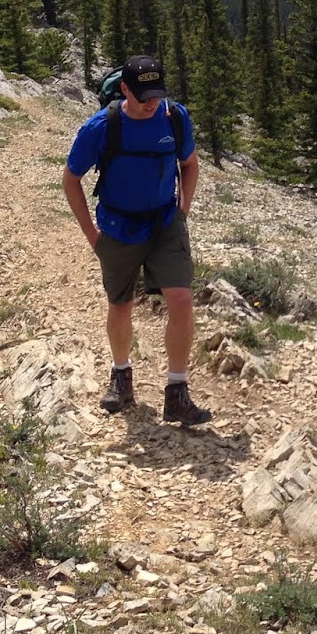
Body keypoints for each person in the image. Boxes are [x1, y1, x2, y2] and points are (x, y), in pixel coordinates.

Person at [63, 54, 211, 425]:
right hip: (118, 227)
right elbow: (70, 178)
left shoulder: (174, 118)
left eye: (157, 94)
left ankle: (177, 392)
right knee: (121, 303)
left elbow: (189, 164)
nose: (151, 103)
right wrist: (92, 235)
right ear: (125, 89)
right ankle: (121, 375)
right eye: (143, 95)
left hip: (165, 222)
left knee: (181, 299)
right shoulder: (101, 127)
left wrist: (183, 210)